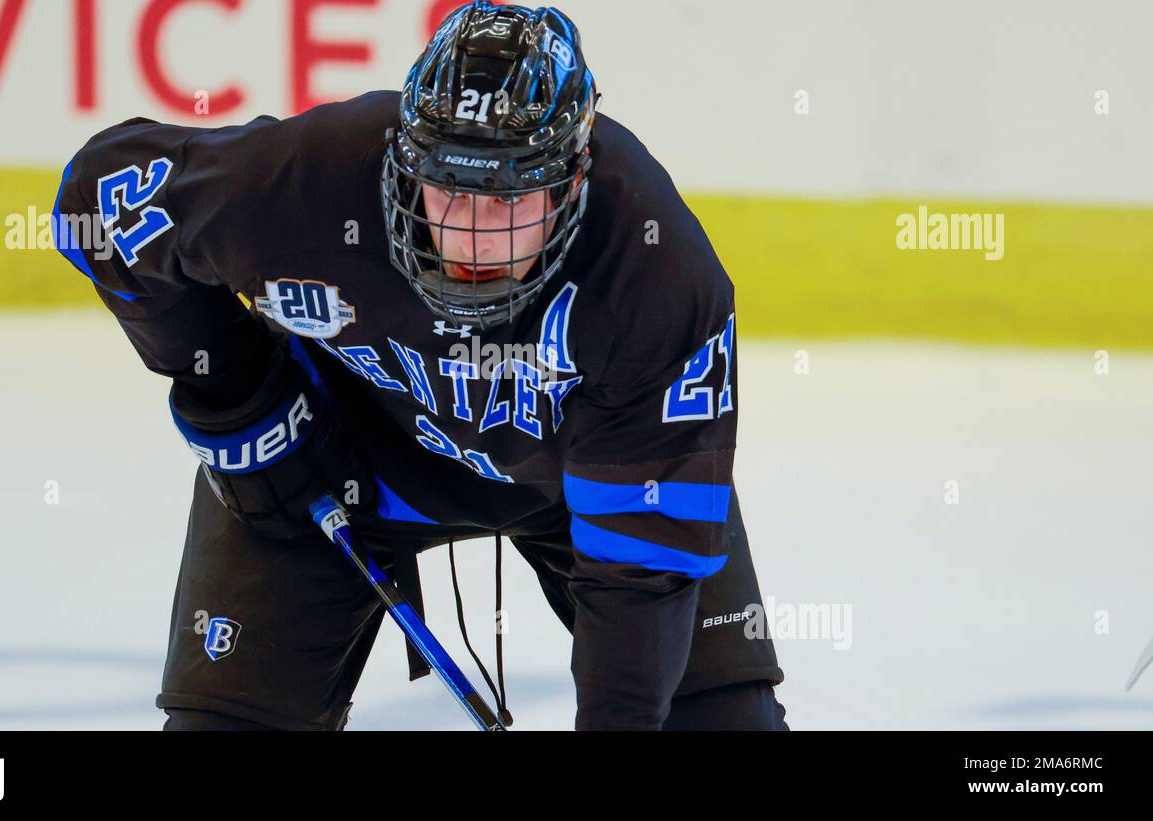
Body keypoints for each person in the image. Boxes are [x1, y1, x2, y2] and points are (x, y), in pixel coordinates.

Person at [53, 1, 786, 731]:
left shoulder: (654, 270)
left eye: (510, 198)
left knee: (725, 723)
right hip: (334, 462)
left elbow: (642, 581)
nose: (472, 233)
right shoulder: (310, 183)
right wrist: (240, 396)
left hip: (587, 483)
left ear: (571, 181)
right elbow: (98, 200)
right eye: (450, 188)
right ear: (405, 159)